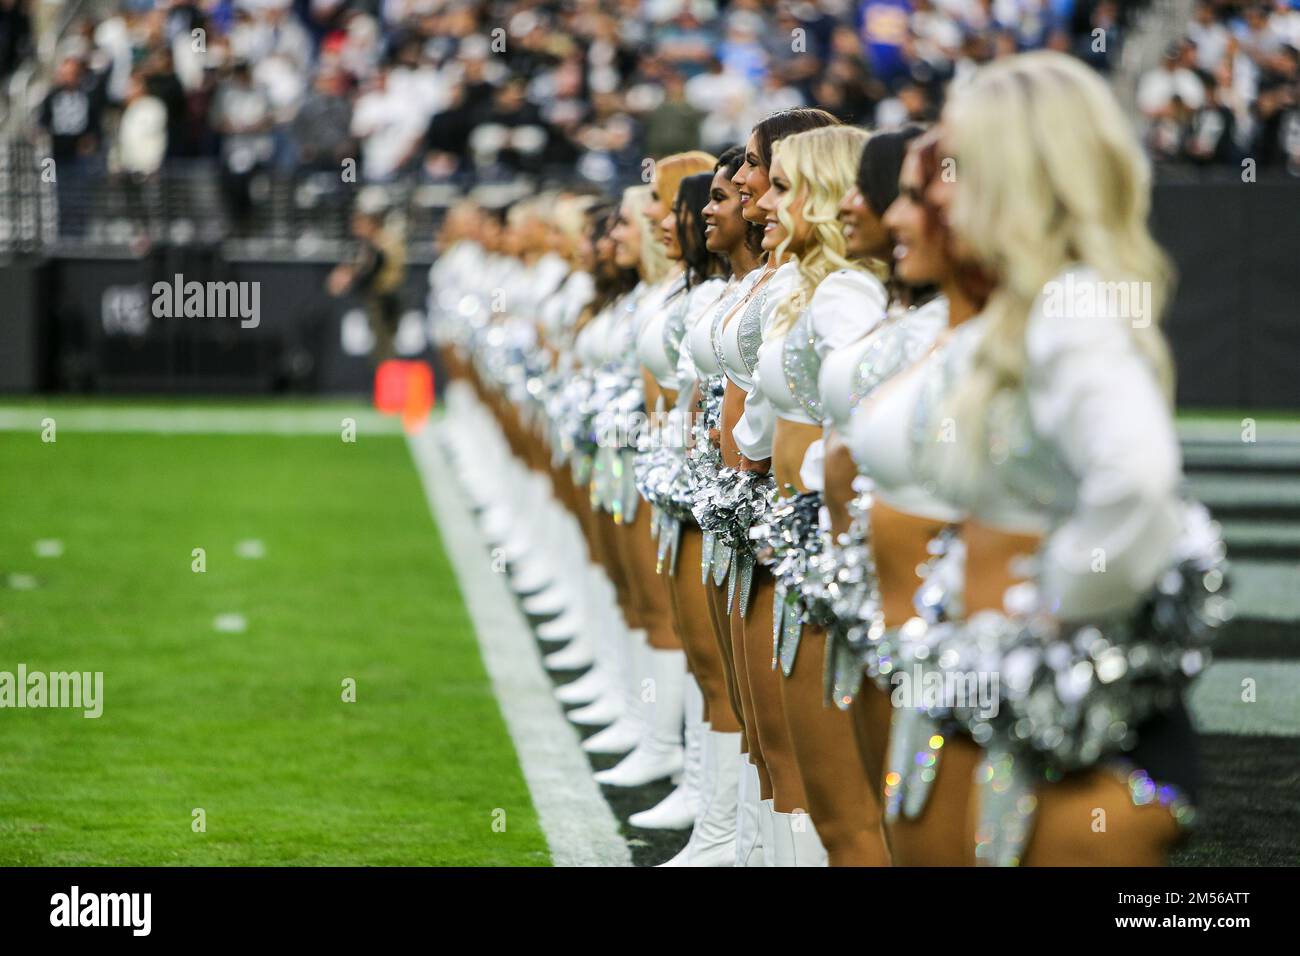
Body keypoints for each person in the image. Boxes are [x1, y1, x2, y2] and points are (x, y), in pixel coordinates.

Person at [327, 192, 407, 367]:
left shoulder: (383, 241)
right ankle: (386, 382)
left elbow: (376, 265)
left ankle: (388, 385)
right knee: (381, 345)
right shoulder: (381, 241)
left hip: (385, 298)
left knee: (384, 346)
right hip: (382, 296)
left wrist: (350, 276)